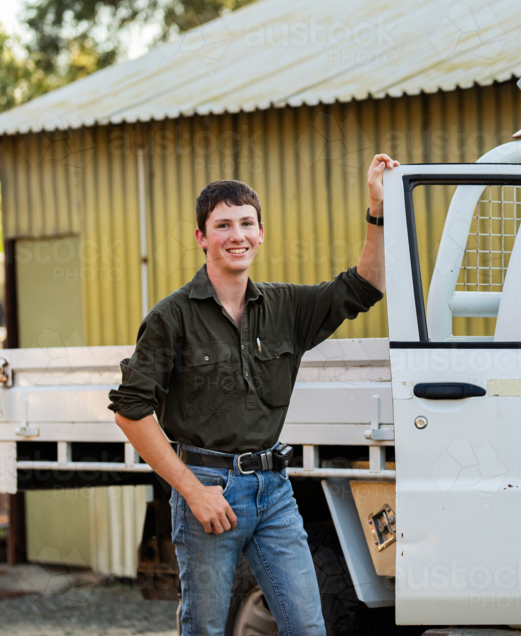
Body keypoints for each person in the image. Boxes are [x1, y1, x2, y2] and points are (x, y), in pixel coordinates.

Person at [109, 154, 399, 635]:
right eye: (223, 225)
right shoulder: (172, 317)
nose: (236, 235)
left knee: (308, 629)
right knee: (205, 630)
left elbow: (365, 285)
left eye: (246, 223)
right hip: (208, 490)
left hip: (275, 491)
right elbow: (130, 412)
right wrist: (193, 492)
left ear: (261, 233)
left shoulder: (286, 307)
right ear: (202, 238)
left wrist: (376, 207)